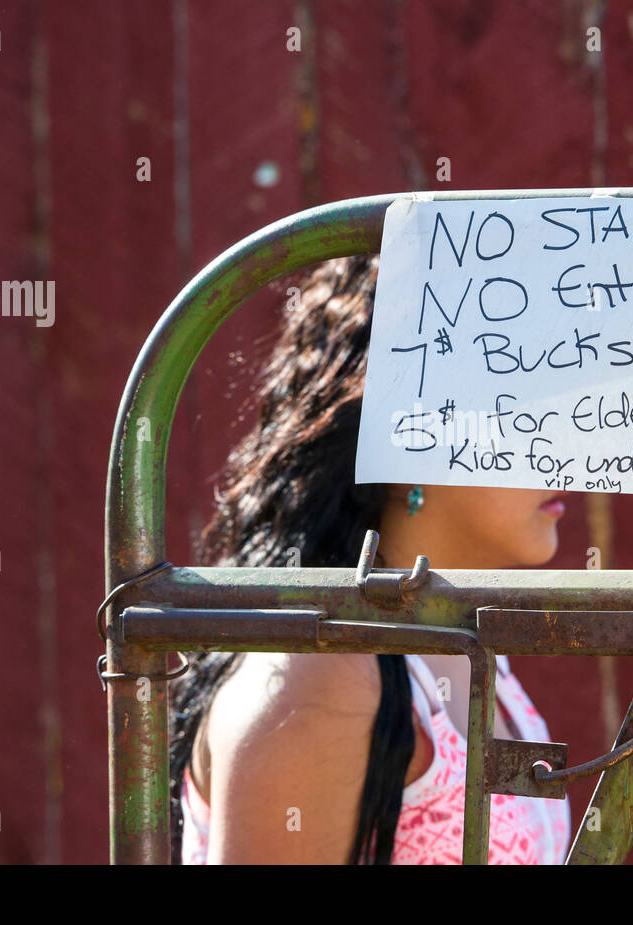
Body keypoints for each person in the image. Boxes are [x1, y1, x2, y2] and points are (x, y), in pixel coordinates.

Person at [169, 253, 570, 864]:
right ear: (411, 437)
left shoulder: (464, 646)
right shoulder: (320, 676)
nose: (561, 441)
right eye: (521, 402)